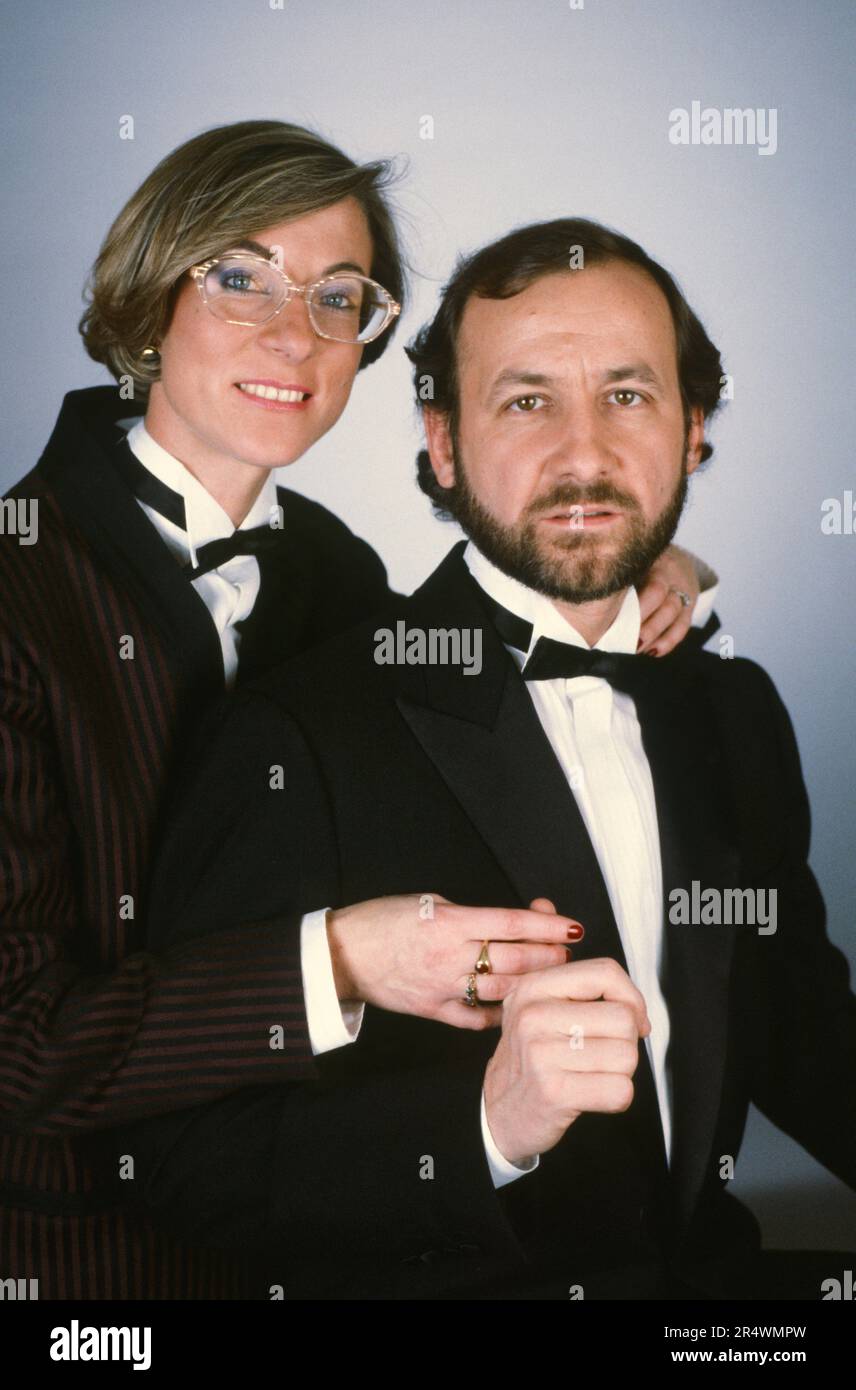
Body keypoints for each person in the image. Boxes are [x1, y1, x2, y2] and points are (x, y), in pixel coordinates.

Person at [0, 123, 711, 1302]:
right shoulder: (16, 587)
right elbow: (17, 1044)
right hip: (85, 1261)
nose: (294, 333)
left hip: (318, 1239)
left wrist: (635, 547)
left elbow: (470, 664)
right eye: (239, 277)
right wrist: (337, 958)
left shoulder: (326, 565)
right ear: (147, 295)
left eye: (339, 295)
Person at [113, 218, 856, 1301]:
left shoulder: (732, 709)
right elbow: (178, 1166)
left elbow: (795, 1027)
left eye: (628, 394)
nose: (584, 452)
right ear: (444, 442)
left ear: (693, 429)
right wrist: (485, 1124)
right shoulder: (298, 733)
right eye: (525, 400)